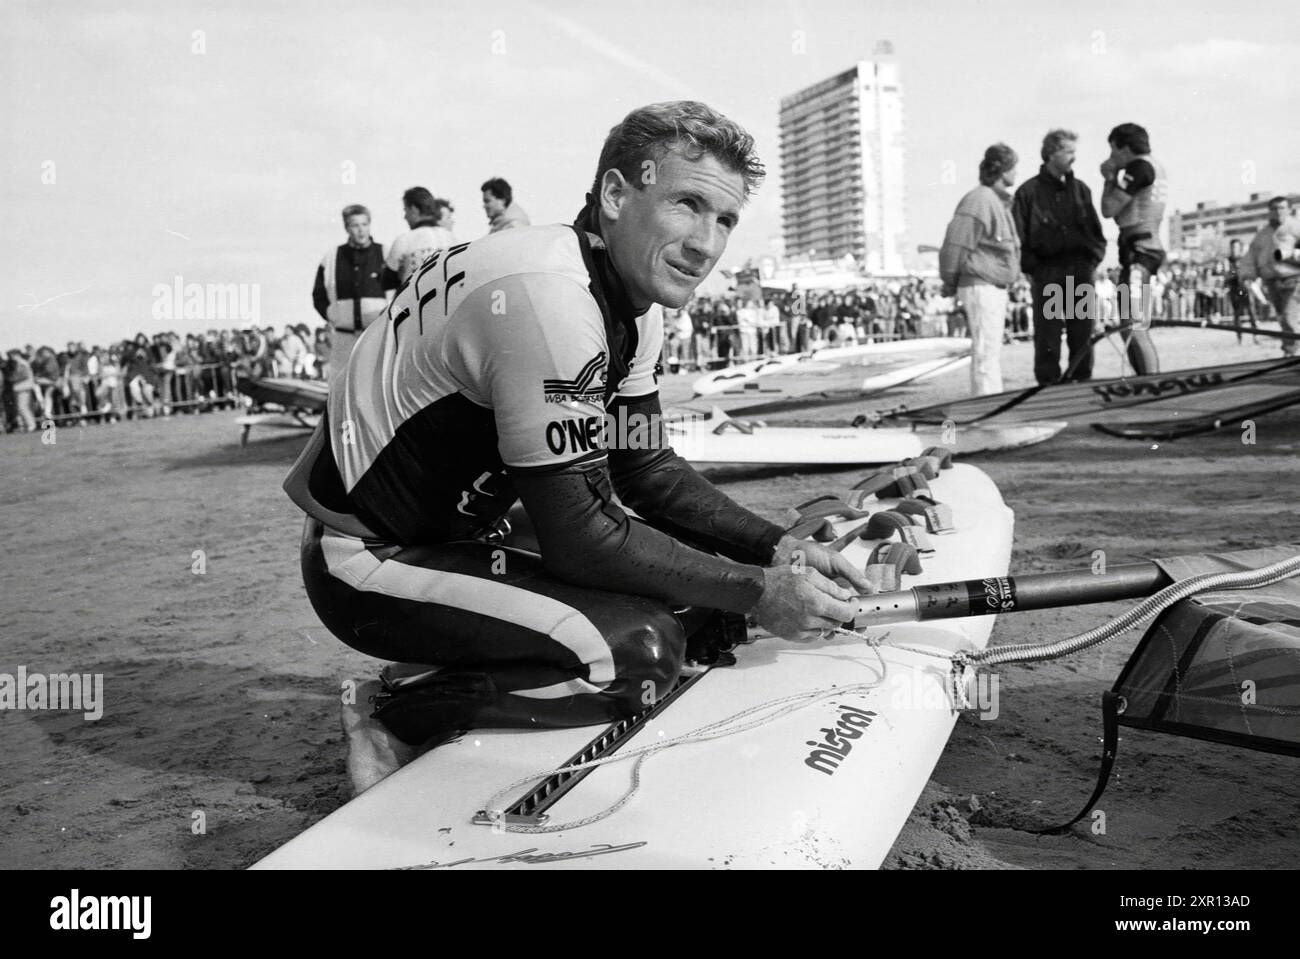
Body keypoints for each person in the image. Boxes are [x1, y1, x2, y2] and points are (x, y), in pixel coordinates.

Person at [284, 100, 870, 775]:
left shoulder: (628, 294)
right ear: (617, 194)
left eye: (725, 220)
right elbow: (582, 535)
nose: (706, 243)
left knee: (693, 592)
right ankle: (395, 712)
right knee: (639, 653)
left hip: (462, 533)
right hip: (365, 559)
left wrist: (779, 547)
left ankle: (487, 653)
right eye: (686, 204)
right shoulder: (551, 295)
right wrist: (762, 588)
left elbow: (646, 467)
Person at [1012, 129, 1107, 384]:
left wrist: (1091, 261)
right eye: (1069, 151)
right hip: (1049, 273)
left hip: (1079, 271)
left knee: (1082, 336)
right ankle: (1049, 389)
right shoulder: (1028, 192)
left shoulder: (1081, 191)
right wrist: (1035, 270)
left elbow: (1096, 233)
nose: (1074, 157)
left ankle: (1080, 384)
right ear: (1051, 153)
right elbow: (1018, 238)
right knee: (1049, 339)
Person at [939, 143, 1021, 394]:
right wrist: (950, 281)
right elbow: (955, 245)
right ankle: (988, 407)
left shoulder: (991, 201)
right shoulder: (981, 200)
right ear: (1003, 170)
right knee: (987, 353)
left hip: (987, 285)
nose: (1016, 174)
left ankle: (983, 405)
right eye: (1013, 168)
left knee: (986, 352)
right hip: (982, 285)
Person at [1100, 122, 1166, 374]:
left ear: (1124, 148)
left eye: (1113, 151)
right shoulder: (1153, 166)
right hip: (1144, 249)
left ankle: (1151, 382)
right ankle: (1145, 379)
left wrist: (1109, 178)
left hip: (1141, 251)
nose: (1111, 157)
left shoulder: (1139, 167)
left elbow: (1109, 209)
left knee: (1134, 323)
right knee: (1131, 324)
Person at [313, 204, 389, 384]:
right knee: (340, 387)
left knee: (378, 384)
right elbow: (318, 295)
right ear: (347, 227)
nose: (361, 230)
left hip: (377, 335)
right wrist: (333, 315)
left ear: (370, 225)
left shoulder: (385, 253)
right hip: (344, 338)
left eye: (364, 224)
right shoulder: (332, 256)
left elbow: (402, 288)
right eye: (355, 225)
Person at [1239, 196, 1300, 356]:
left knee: (1289, 316)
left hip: (1293, 279)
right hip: (1271, 281)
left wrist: (1292, 254)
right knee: (1283, 318)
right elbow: (1251, 256)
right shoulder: (1263, 234)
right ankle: (1291, 349)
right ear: (1269, 211)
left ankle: (1291, 352)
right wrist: (1247, 274)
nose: (1278, 212)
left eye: (1281, 207)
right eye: (1274, 208)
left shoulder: (1296, 228)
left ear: (1288, 209)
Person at [383, 188, 456, 288]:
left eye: (406, 210)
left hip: (414, 301)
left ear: (414, 209)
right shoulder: (451, 238)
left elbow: (387, 282)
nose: (405, 216)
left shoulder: (404, 240)